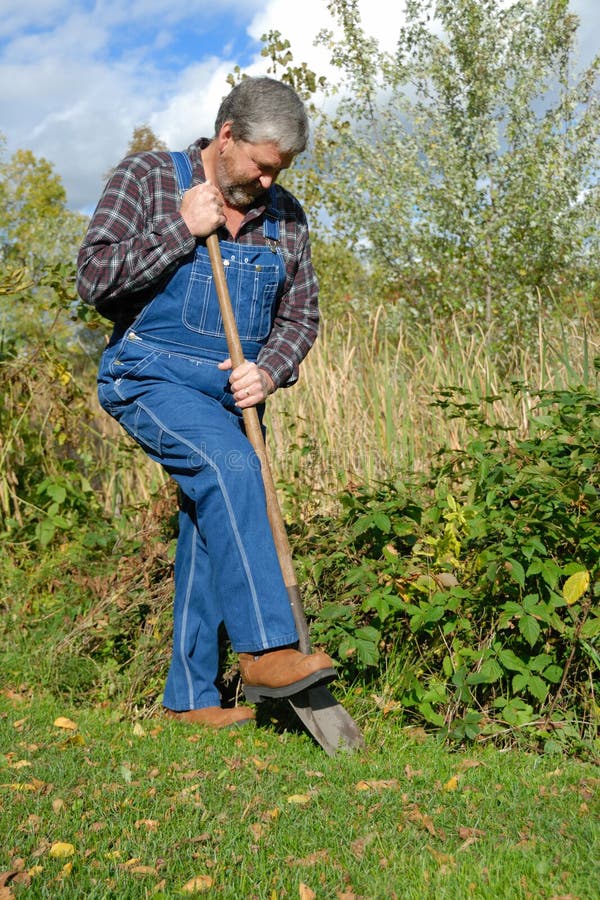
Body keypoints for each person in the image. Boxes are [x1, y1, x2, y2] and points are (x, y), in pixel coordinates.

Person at [77, 77, 335, 729]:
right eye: (263, 164)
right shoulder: (147, 180)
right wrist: (179, 230)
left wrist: (271, 372)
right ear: (227, 137)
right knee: (230, 467)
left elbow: (301, 317)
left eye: (282, 170)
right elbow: (92, 280)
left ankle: (190, 700)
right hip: (147, 375)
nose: (271, 181)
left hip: (233, 395)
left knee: (207, 522)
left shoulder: (286, 219)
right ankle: (267, 650)